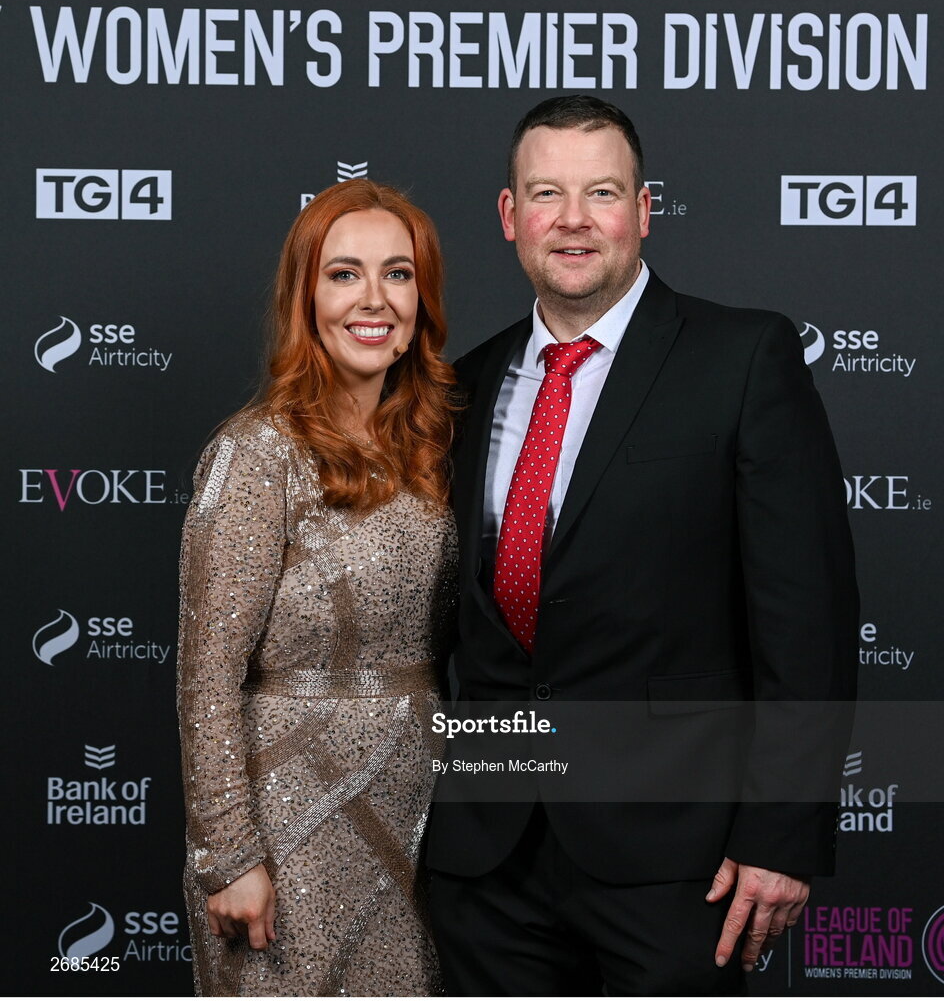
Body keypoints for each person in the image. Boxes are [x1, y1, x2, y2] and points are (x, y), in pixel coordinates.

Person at [426, 95, 858, 995]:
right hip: (487, 860)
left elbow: (806, 621)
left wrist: (781, 834)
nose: (574, 221)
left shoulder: (743, 358)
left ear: (644, 210)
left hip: (679, 866)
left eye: (602, 193)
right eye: (547, 193)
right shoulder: (460, 387)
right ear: (511, 218)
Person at [176, 179, 457, 997]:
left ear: (423, 297)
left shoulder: (438, 446)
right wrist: (230, 853)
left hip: (427, 811)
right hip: (286, 818)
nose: (374, 299)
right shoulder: (257, 453)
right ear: (306, 296)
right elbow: (207, 672)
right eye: (344, 274)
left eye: (398, 274)